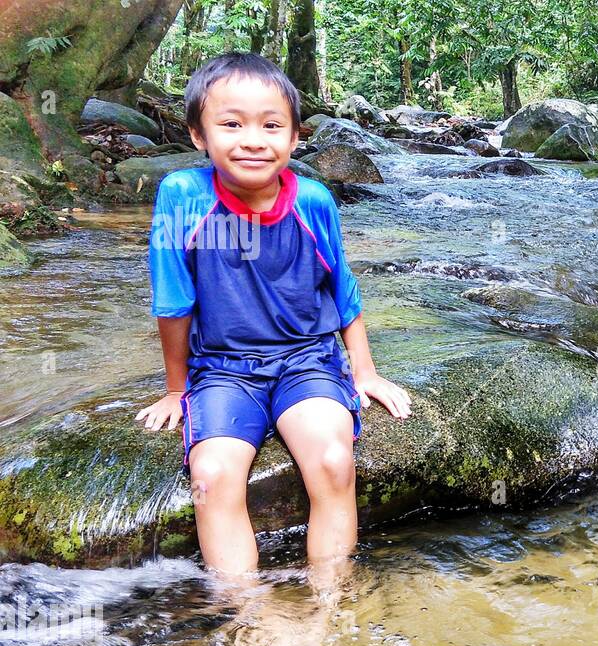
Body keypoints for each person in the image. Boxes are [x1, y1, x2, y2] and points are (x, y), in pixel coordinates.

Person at [135, 52, 411, 576]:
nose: (253, 140)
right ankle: (249, 619)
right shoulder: (183, 197)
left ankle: (330, 607)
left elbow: (341, 288)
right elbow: (173, 302)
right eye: (231, 124)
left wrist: (365, 371)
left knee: (332, 462)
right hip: (221, 368)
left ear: (295, 137)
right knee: (213, 476)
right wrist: (176, 389)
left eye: (272, 125)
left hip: (307, 361)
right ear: (198, 135)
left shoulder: (313, 200)